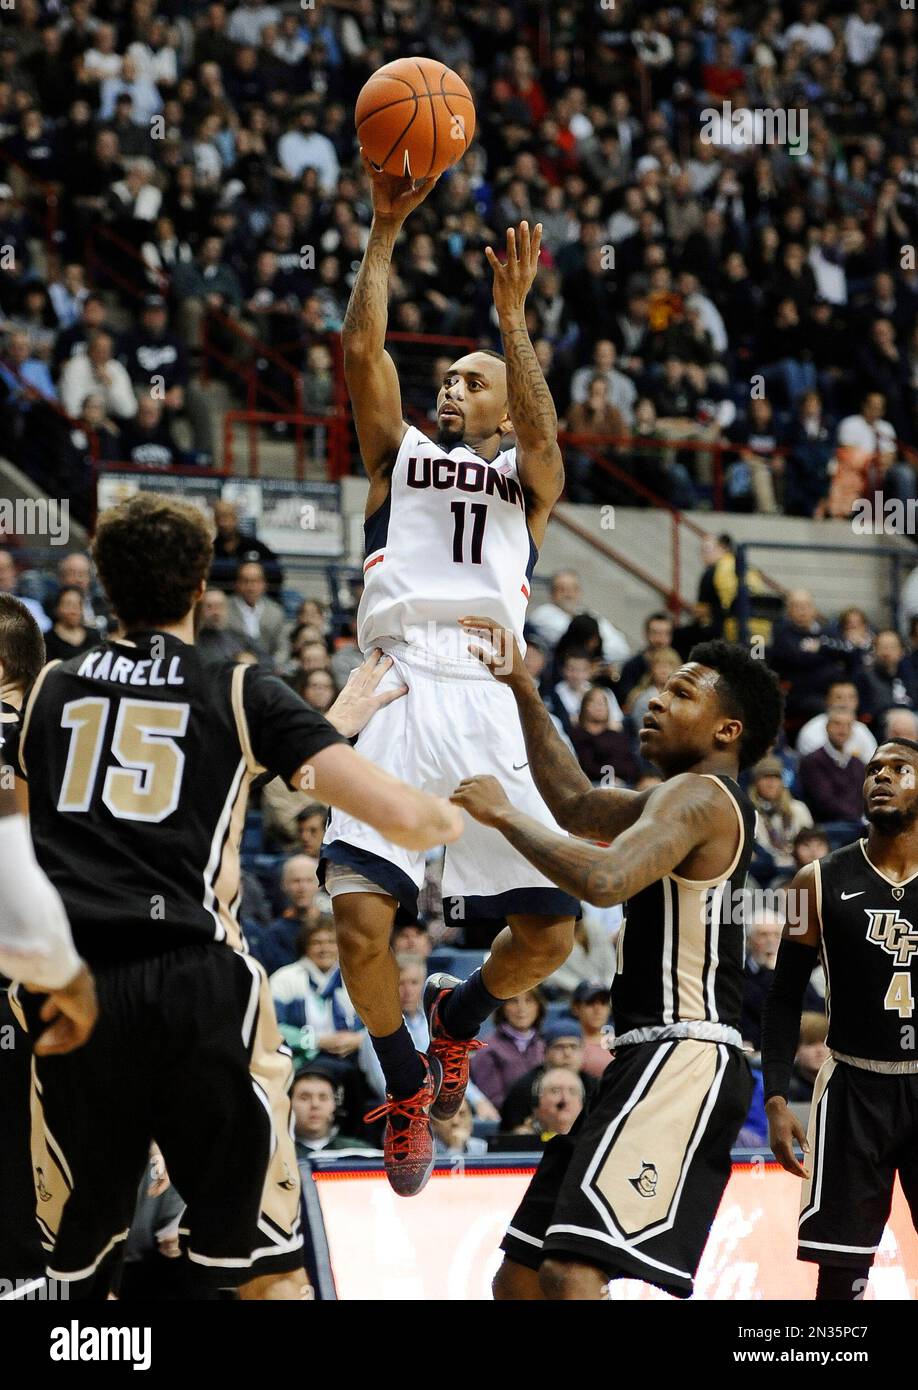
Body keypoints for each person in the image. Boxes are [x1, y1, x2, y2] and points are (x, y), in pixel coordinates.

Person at [1, 492, 460, 1301]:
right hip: (198, 989)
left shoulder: (46, 692)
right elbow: (405, 818)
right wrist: (460, 803)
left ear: (103, 581)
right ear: (202, 583)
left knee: (77, 1279)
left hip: (74, 995)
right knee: (265, 1273)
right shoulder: (240, 688)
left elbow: (23, 853)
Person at [321, 157, 578, 1198]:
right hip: (396, 683)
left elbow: (549, 441)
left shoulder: (529, 482)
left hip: (488, 694)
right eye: (450, 381)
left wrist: (509, 320)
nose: (451, 390)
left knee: (552, 930)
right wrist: (384, 231)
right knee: (358, 918)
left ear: (505, 404)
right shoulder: (400, 458)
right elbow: (358, 349)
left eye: (472, 380)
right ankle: (397, 1080)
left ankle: (459, 1016)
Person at [450, 625, 783, 1300]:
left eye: (681, 693)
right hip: (645, 1056)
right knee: (517, 1280)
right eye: (660, 690)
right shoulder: (671, 800)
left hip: (683, 1053)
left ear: (728, 731)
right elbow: (574, 804)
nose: (655, 703)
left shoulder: (701, 797)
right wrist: (523, 686)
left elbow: (604, 881)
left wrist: (504, 816)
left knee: (572, 1273)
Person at [764, 738, 918, 1301]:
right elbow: (782, 997)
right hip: (855, 1086)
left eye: (900, 769)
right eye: (873, 768)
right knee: (842, 1280)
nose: (882, 776)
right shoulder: (815, 880)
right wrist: (776, 1098)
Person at [500, 1019, 601, 1131]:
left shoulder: (596, 1087)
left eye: (573, 1047)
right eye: (559, 1047)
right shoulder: (524, 1087)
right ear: (545, 1052)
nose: (567, 1053)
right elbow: (509, 1132)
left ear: (583, 1052)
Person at [528, 569, 630, 665]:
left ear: (579, 592)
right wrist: (596, 647)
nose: (568, 594)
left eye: (573, 589)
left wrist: (595, 648)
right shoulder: (544, 614)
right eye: (562, 589)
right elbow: (575, 641)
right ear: (552, 594)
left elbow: (622, 649)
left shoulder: (589, 615)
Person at [470, 990, 546, 1109]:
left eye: (528, 1000)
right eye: (513, 1001)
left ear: (538, 1006)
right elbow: (494, 1099)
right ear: (502, 1007)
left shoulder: (546, 1045)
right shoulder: (488, 1049)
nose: (521, 1008)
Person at [797, 708, 867, 826]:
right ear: (827, 727)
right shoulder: (812, 761)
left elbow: (862, 799)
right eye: (837, 724)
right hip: (826, 827)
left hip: (855, 825)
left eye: (848, 725)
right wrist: (856, 818)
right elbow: (824, 802)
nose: (843, 730)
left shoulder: (858, 764)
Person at [291, 1065, 368, 1163]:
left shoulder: (359, 1152)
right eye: (304, 1097)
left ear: (336, 1105)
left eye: (323, 1097)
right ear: (289, 1104)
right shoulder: (278, 1154)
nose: (315, 1104)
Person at [226, 561, 289, 668]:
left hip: (268, 670)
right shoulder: (225, 609)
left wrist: (274, 666)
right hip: (231, 667)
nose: (251, 587)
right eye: (245, 581)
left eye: (256, 581)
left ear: (264, 584)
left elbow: (283, 647)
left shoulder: (275, 612)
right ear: (237, 584)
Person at [512, 1068, 585, 1143]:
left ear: (582, 1103)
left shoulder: (593, 1140)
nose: (565, 1099)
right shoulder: (523, 1140)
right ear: (537, 1101)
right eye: (555, 1091)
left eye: (572, 1091)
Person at [43, 586, 99, 662]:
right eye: (68, 605)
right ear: (57, 608)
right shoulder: (47, 641)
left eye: (78, 605)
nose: (74, 611)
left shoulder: (94, 635)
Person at [570, 982, 613, 1078]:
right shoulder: (565, 1043)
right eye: (590, 1002)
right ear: (576, 1008)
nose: (598, 1009)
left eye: (603, 1002)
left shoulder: (621, 1043)